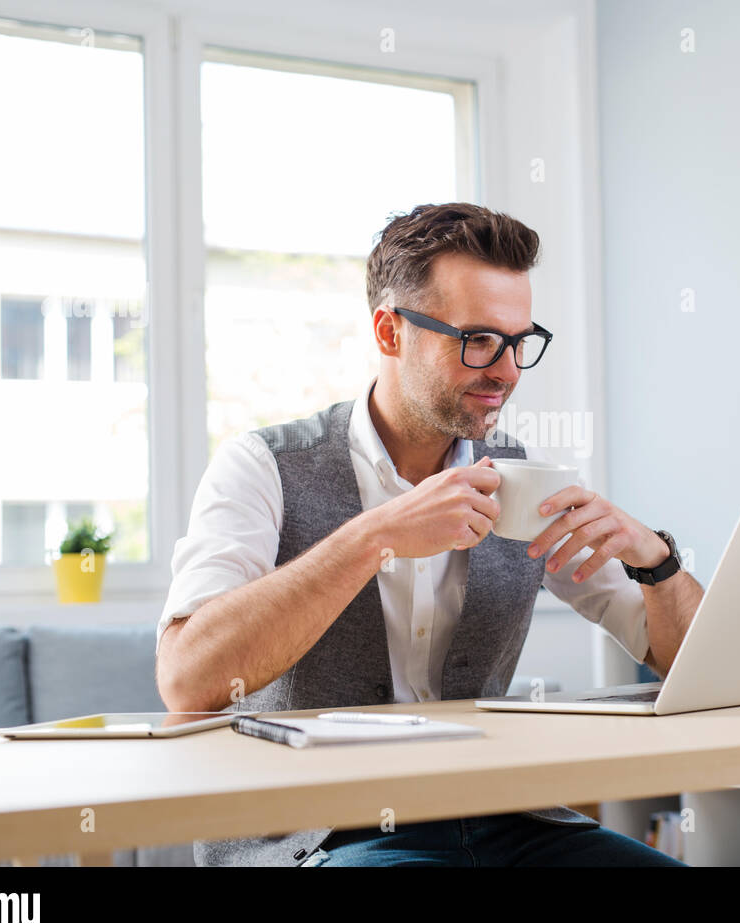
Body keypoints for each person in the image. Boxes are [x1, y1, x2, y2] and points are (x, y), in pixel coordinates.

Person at [155, 202, 704, 866]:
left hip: (502, 819)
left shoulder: (520, 480)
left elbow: (683, 659)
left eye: (518, 341)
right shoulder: (263, 467)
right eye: (477, 339)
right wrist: (373, 537)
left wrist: (657, 563)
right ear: (391, 332)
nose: (505, 370)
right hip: (323, 830)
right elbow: (188, 680)